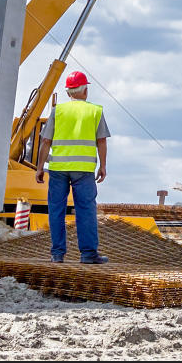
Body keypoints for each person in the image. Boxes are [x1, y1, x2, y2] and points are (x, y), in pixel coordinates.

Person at [34, 72, 109, 264]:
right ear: (84, 90)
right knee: (86, 211)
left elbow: (45, 141)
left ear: (68, 92)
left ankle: (57, 254)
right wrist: (103, 166)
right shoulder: (95, 111)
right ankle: (88, 254)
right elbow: (101, 141)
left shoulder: (57, 111)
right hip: (83, 170)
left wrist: (40, 167)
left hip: (58, 168)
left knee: (56, 210)